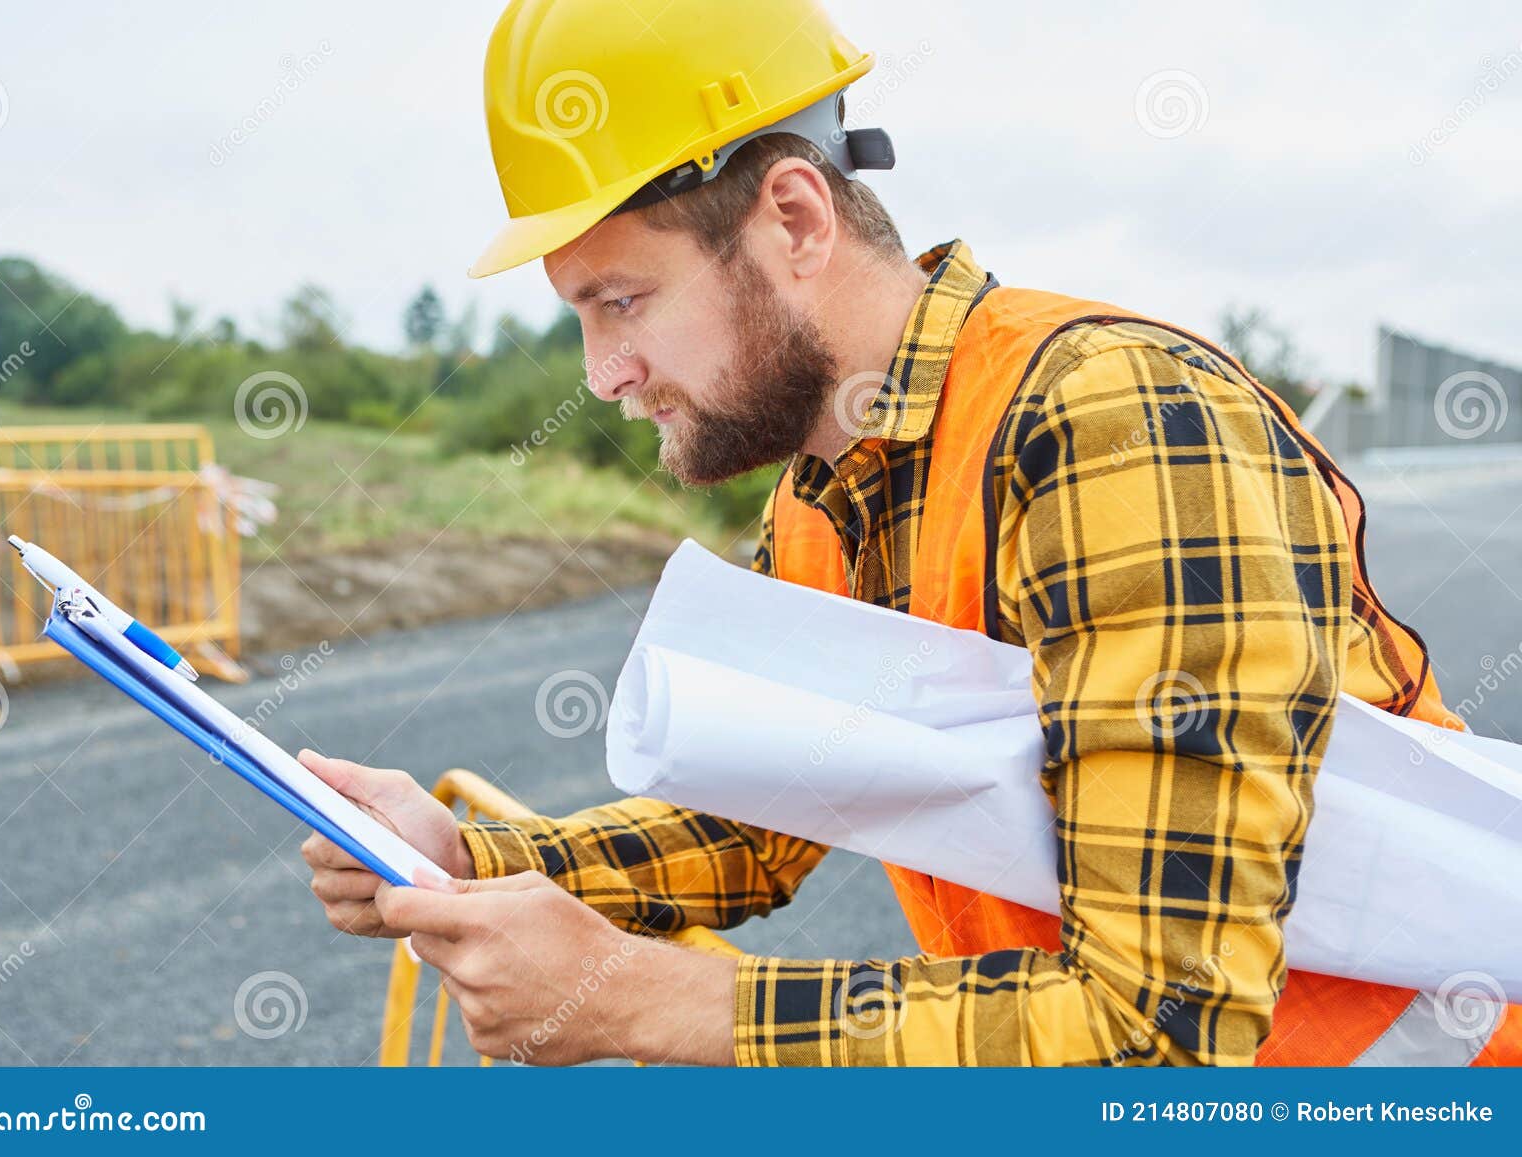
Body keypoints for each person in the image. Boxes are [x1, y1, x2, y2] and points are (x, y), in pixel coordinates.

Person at [301, 0, 1521, 1066]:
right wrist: (473, 854)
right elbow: (763, 820)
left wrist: (638, 996)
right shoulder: (824, 492)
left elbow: (1161, 1030)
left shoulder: (1115, 425)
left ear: (792, 217)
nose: (606, 372)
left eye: (623, 302)